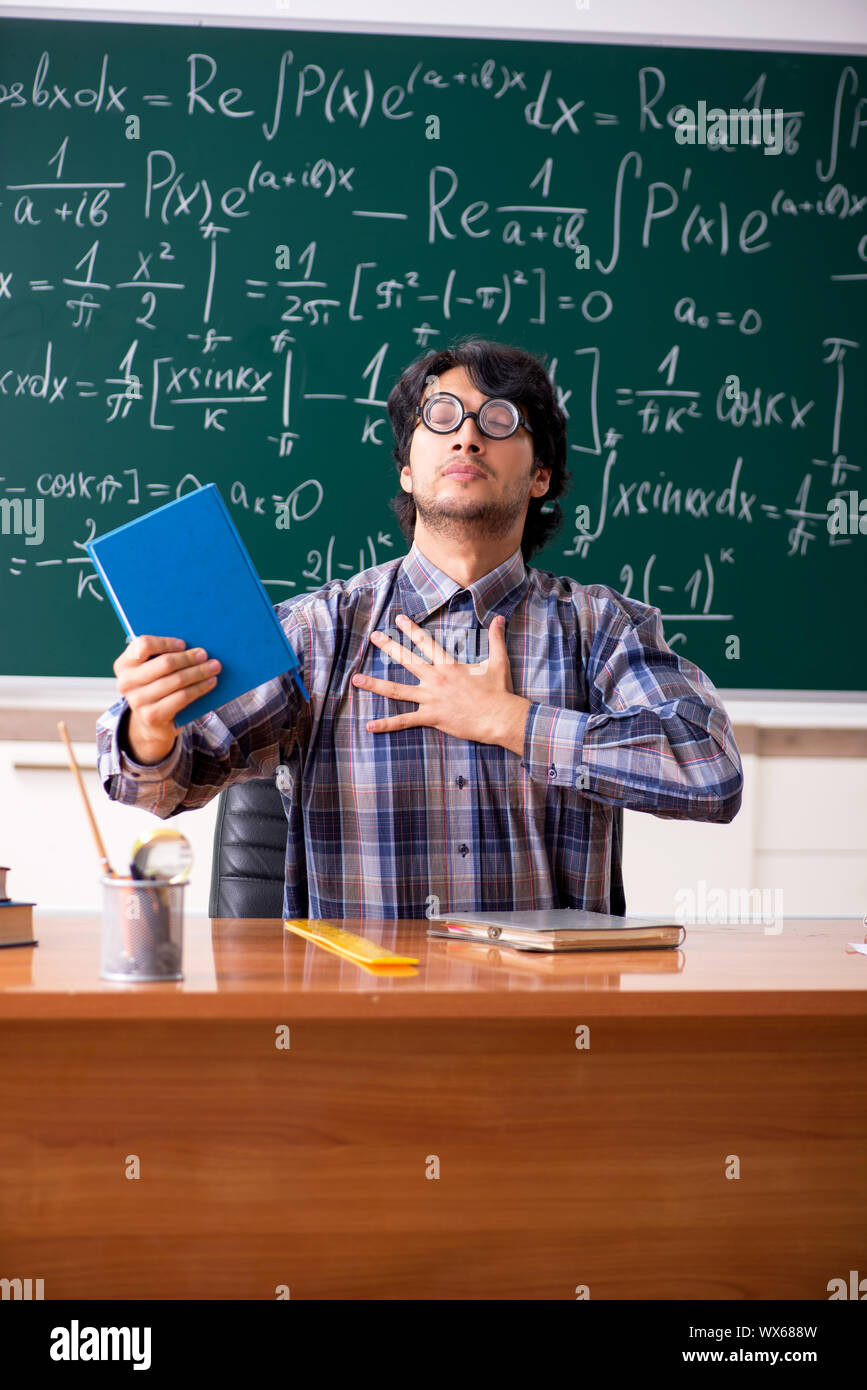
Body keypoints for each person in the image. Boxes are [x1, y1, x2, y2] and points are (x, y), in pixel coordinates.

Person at [96, 337, 743, 920]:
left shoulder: (599, 628)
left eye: (498, 420)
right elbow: (158, 786)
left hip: (546, 1025)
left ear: (540, 475)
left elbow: (710, 773)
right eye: (440, 419)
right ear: (406, 466)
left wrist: (509, 721)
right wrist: (149, 726)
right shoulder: (319, 632)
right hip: (358, 1023)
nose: (466, 438)